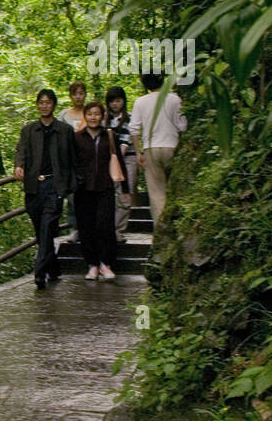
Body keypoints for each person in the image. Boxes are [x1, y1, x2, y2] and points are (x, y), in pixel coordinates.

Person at [14, 89, 75, 290]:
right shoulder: (29, 130)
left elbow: (72, 158)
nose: (44, 106)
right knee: (41, 232)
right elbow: (21, 150)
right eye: (41, 102)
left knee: (48, 227)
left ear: (54, 105)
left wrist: (70, 185)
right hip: (33, 186)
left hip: (54, 186)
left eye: (48, 102)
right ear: (37, 105)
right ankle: (54, 268)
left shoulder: (64, 130)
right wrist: (19, 165)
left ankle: (39, 274)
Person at [72, 100, 131, 280]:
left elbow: (119, 161)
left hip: (105, 187)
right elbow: (71, 162)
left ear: (103, 116)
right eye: (90, 114)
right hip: (83, 190)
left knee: (105, 226)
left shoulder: (110, 136)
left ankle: (106, 263)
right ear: (85, 116)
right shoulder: (77, 138)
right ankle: (92, 264)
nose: (93, 118)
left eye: (97, 114)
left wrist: (125, 189)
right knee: (86, 227)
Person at [129, 72, 187, 226]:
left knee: (156, 194)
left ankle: (161, 231)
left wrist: (138, 152)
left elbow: (134, 129)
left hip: (151, 149)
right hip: (172, 147)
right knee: (176, 189)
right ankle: (178, 226)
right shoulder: (174, 99)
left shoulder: (140, 102)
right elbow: (183, 126)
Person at [105, 86, 136, 242]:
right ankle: (107, 229)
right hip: (108, 160)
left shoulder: (130, 117)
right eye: (112, 101)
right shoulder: (104, 119)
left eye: (118, 101)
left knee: (125, 193)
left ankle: (118, 230)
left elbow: (125, 142)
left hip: (127, 159)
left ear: (123, 101)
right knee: (108, 195)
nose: (115, 104)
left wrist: (117, 159)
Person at [60, 80, 87, 243]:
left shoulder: (90, 112)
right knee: (71, 196)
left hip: (87, 159)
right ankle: (75, 229)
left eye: (81, 93)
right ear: (70, 96)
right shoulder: (64, 115)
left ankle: (88, 228)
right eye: (75, 93)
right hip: (69, 160)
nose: (78, 97)